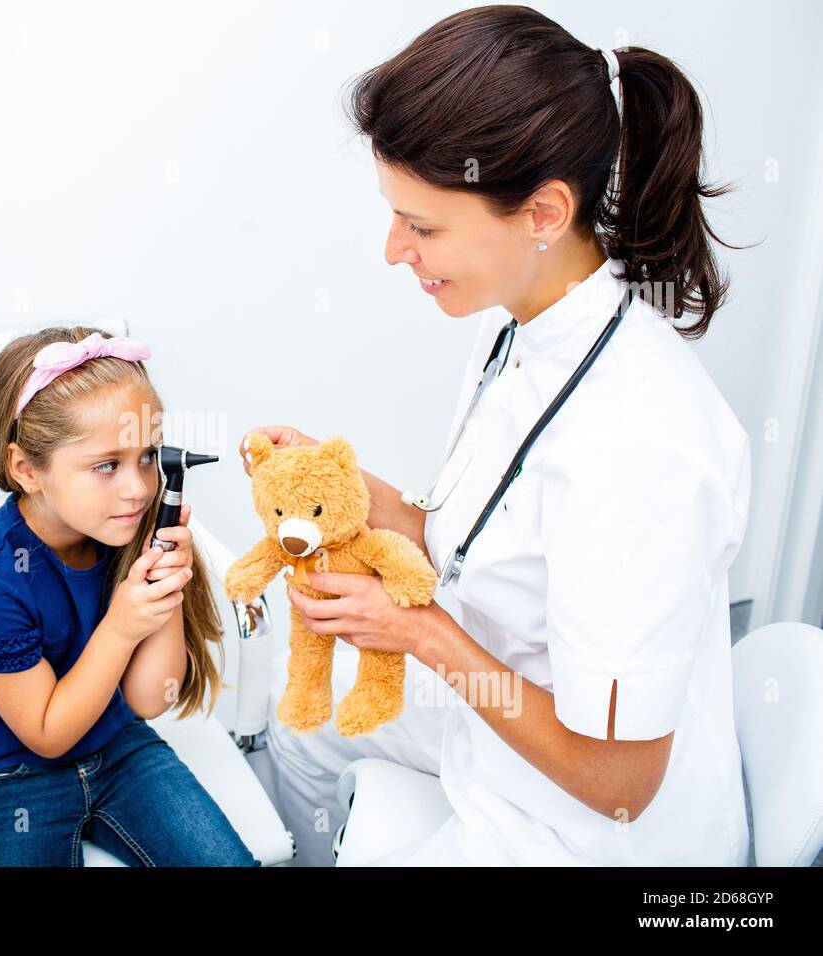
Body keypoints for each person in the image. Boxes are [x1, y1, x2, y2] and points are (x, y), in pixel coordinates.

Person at [242, 5, 751, 865]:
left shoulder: (636, 451)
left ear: (544, 212)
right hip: (489, 708)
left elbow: (621, 786)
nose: (393, 250)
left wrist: (420, 633)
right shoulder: (525, 321)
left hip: (589, 824)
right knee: (300, 732)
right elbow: (484, 540)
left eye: (424, 226)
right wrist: (348, 492)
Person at [0, 325, 259, 866]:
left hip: (117, 749)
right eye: (106, 465)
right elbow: (48, 736)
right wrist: (122, 625)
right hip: (5, 780)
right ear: (26, 469)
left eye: (147, 457)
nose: (137, 487)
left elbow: (151, 699)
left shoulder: (125, 530)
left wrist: (164, 592)